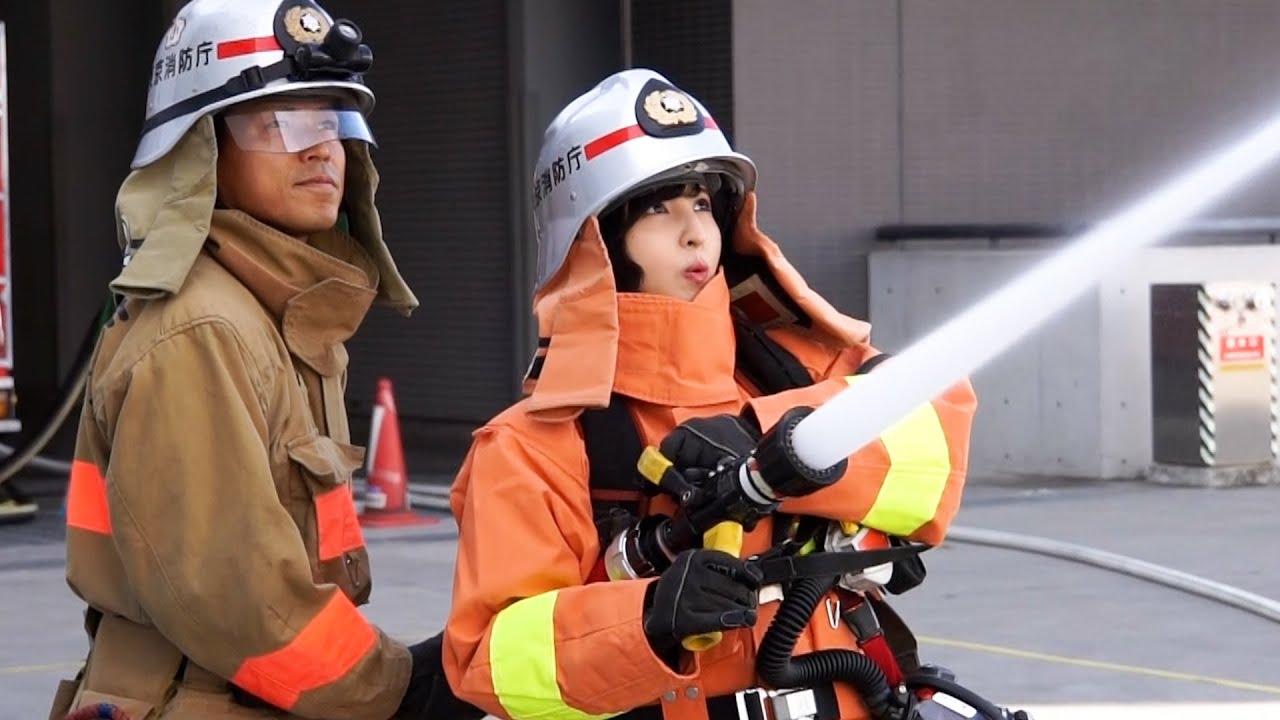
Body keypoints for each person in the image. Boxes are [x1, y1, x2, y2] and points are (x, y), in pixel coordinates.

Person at [441, 68, 979, 720]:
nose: (694, 231)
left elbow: (941, 423)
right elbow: (487, 661)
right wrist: (646, 619)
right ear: (598, 241)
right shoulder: (533, 448)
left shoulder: (794, 371)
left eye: (701, 204)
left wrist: (775, 439)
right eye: (659, 209)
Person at [49, 1, 449, 718]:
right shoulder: (201, 329)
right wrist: (396, 688)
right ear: (203, 150)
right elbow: (238, 595)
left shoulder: (278, 318)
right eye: (283, 121)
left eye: (331, 122)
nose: (322, 148)